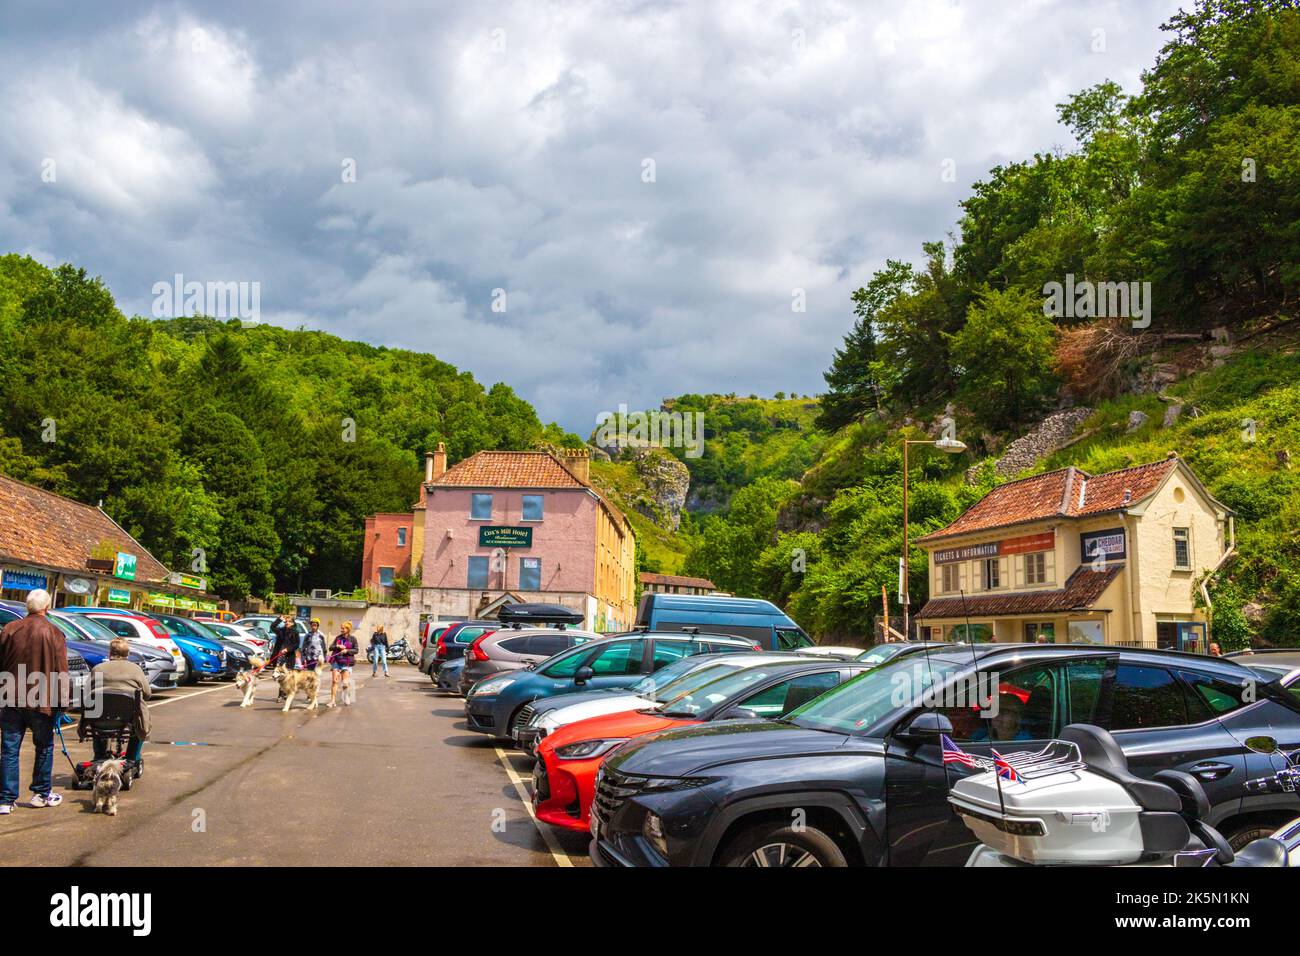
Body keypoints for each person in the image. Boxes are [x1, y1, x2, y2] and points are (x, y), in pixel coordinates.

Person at [0, 589, 70, 814]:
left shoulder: (10, 629)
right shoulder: (54, 632)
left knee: (9, 749)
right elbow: (61, 670)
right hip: (41, 700)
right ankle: (41, 793)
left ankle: (5, 799)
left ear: (27, 607)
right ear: (47, 607)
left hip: (10, 697)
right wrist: (63, 702)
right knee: (44, 747)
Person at [89, 638, 151, 763]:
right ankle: (132, 757)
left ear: (110, 653)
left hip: (100, 719)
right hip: (128, 720)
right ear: (127, 654)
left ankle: (100, 755)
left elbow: (87, 693)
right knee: (139, 718)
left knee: (96, 713)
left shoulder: (98, 669)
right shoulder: (135, 669)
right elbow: (147, 694)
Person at [328, 621, 358, 707]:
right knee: (334, 681)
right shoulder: (338, 638)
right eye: (341, 628)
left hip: (346, 662)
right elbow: (330, 647)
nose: (341, 630)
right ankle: (332, 701)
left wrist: (347, 651)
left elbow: (356, 650)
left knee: (345, 683)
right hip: (336, 662)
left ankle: (346, 696)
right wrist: (337, 646)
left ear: (348, 629)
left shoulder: (353, 639)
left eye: (343, 628)